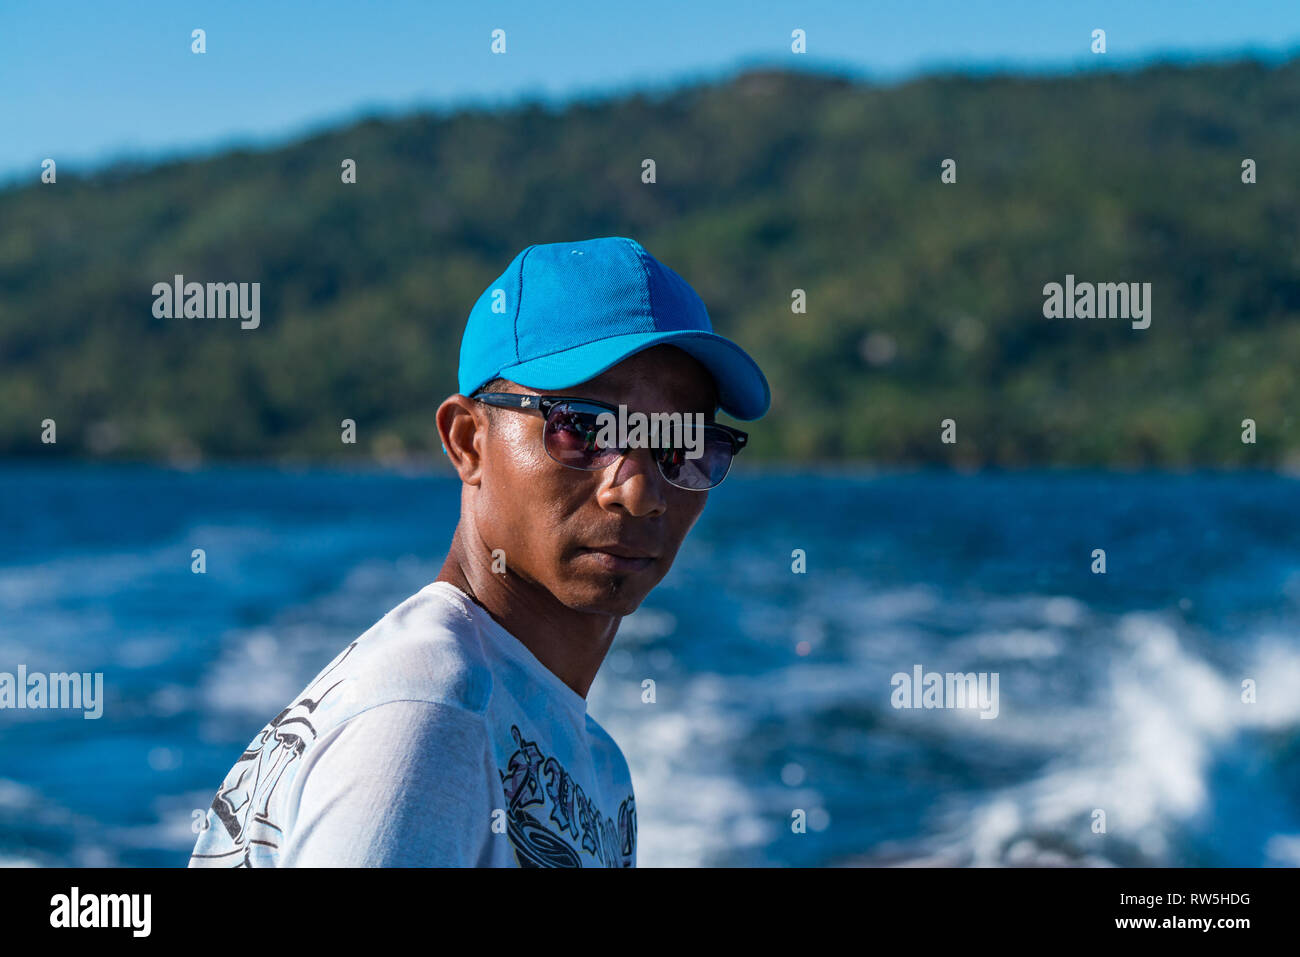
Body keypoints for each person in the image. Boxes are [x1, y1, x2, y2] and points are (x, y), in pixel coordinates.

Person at [187, 236, 770, 867]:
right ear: (468, 441)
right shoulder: (430, 720)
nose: (638, 491)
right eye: (583, 428)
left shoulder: (597, 765)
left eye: (680, 441)